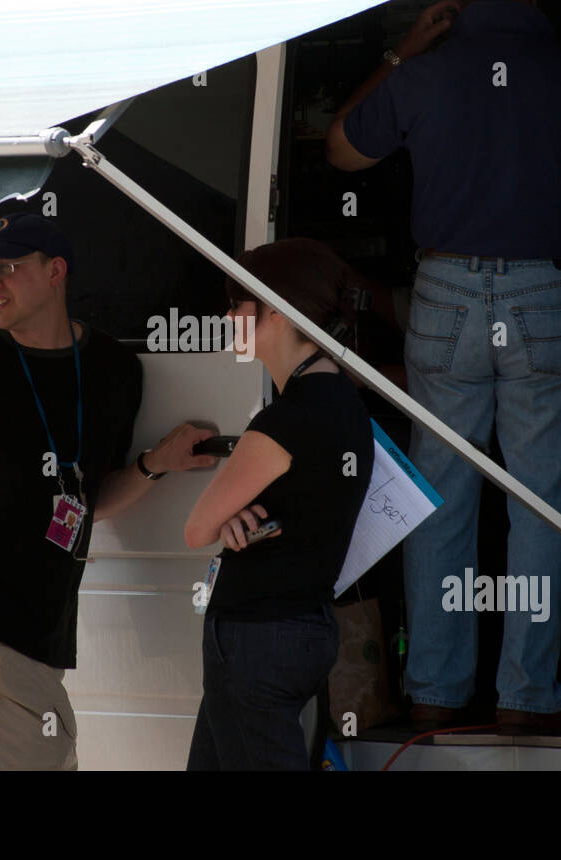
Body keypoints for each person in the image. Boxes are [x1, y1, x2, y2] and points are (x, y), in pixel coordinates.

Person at [325, 0, 561, 734]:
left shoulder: (425, 72)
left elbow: (341, 151)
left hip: (444, 294)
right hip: (550, 292)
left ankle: (435, 691)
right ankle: (524, 698)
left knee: (439, 497)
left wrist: (404, 50)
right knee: (543, 502)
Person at [0, 211, 217, 770]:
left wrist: (154, 465)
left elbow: (86, 502)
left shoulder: (115, 371)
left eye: (6, 268)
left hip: (36, 635)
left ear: (56, 272)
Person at [183, 238, 375, 770]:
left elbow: (196, 529)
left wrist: (223, 520)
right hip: (304, 629)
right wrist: (232, 520)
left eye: (236, 305)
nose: (227, 317)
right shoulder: (345, 402)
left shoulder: (285, 420)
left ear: (274, 310)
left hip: (256, 637)